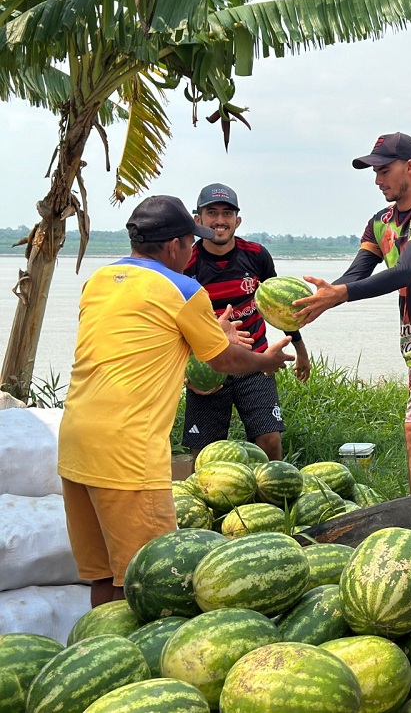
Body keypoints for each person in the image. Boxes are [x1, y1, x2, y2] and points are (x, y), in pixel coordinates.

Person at [58, 195, 294, 607]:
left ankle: (100, 651)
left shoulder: (97, 281)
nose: (192, 251)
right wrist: (264, 359)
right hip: (127, 454)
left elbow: (141, 341)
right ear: (173, 246)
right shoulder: (184, 289)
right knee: (151, 583)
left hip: (75, 445)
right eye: (190, 242)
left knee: (103, 576)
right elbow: (222, 358)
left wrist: (206, 333)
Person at [293, 133, 411, 494]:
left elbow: (404, 271)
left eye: (384, 170)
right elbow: (358, 273)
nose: (378, 180)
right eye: (374, 172)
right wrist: (326, 296)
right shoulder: (380, 222)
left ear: (410, 167)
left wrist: (341, 294)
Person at [182, 183, 311, 462]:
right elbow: (175, 324)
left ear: (237, 220)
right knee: (204, 453)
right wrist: (186, 371)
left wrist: (300, 350)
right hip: (209, 363)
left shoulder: (256, 255)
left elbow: (277, 307)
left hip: (255, 361)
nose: (219, 220)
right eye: (211, 213)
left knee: (270, 439)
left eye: (227, 214)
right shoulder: (186, 263)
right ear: (198, 220)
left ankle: (274, 497)